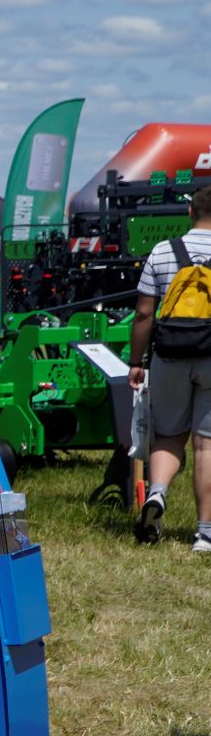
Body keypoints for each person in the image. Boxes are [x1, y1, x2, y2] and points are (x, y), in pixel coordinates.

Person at [131, 183, 211, 550]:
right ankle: (205, 534)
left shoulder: (163, 251)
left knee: (167, 435)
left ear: (190, 212)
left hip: (169, 355)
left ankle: (158, 493)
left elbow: (144, 313)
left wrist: (136, 362)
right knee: (206, 445)